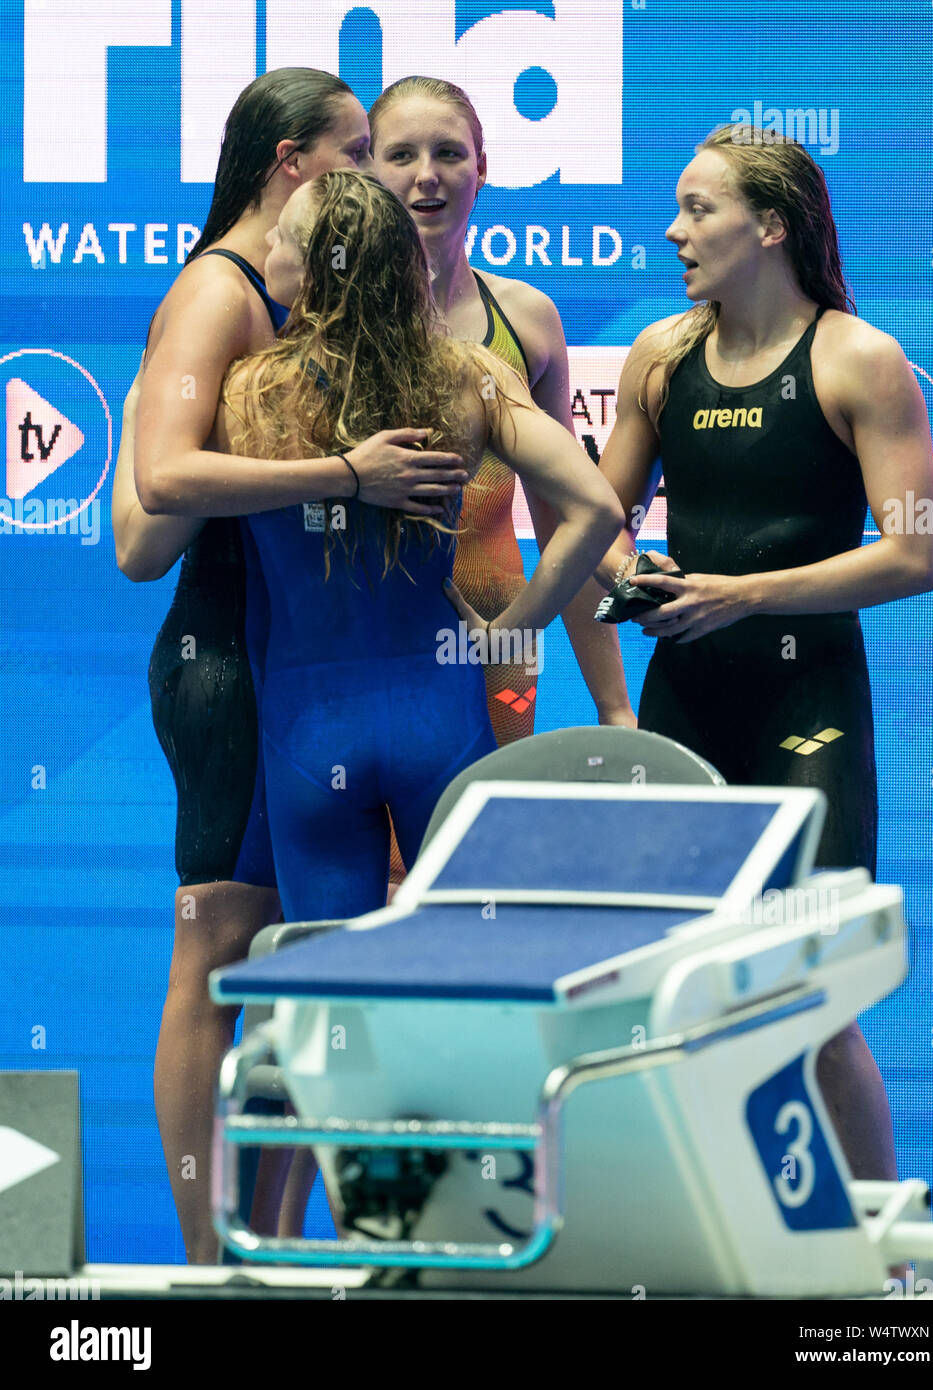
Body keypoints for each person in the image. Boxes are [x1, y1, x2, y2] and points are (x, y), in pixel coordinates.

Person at [111, 67, 471, 1264]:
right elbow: (148, 511)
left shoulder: (307, 302)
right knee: (217, 948)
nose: (378, 174)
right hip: (227, 657)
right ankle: (209, 1261)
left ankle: (273, 1247)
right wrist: (342, 476)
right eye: (359, 149)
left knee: (285, 967)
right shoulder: (217, 294)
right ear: (289, 162)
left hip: (300, 666)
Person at [595, 124, 933, 1182]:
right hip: (684, 701)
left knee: (811, 995)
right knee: (673, 994)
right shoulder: (659, 355)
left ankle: (885, 1266)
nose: (672, 231)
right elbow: (596, 518)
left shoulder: (856, 359)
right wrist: (624, 568)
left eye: (697, 210)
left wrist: (740, 593)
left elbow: (913, 552)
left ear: (770, 225)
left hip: (808, 710)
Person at [207, 167, 623, 926]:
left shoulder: (245, 392)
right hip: (442, 710)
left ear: (315, 269)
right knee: (461, 970)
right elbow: (595, 507)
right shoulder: (469, 376)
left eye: (284, 234)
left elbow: (161, 503)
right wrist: (516, 629)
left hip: (310, 723)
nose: (267, 240)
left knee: (328, 986)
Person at [369, 76, 635, 750]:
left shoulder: (526, 319)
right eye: (401, 156)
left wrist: (615, 710)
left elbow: (564, 523)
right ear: (366, 170)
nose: (427, 176)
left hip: (496, 629)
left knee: (483, 838)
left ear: (482, 169)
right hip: (359, 636)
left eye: (449, 154)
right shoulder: (324, 323)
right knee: (388, 857)